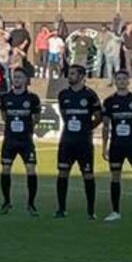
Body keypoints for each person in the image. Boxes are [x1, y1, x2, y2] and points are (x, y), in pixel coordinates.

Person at [53, 61, 103, 219]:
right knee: (63, 173)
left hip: (84, 143)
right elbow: (64, 114)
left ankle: (91, 211)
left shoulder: (90, 95)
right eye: (69, 74)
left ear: (81, 76)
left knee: (88, 175)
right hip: (67, 141)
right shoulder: (63, 95)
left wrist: (88, 127)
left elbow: (99, 116)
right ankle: (61, 209)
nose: (69, 76)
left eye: (73, 74)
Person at [101, 68, 132, 223]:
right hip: (116, 145)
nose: (121, 81)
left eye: (124, 79)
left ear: (128, 81)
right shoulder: (109, 101)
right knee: (115, 176)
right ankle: (115, 211)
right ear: (115, 82)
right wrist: (104, 146)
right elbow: (105, 126)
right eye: (119, 79)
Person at [0, 65, 42, 214]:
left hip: (26, 141)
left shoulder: (32, 98)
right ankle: (6, 202)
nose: (16, 80)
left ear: (26, 80)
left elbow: (36, 118)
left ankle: (31, 204)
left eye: (19, 77)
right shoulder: (5, 97)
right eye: (15, 77)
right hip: (10, 140)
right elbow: (4, 116)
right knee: (5, 169)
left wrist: (28, 127)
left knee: (31, 169)